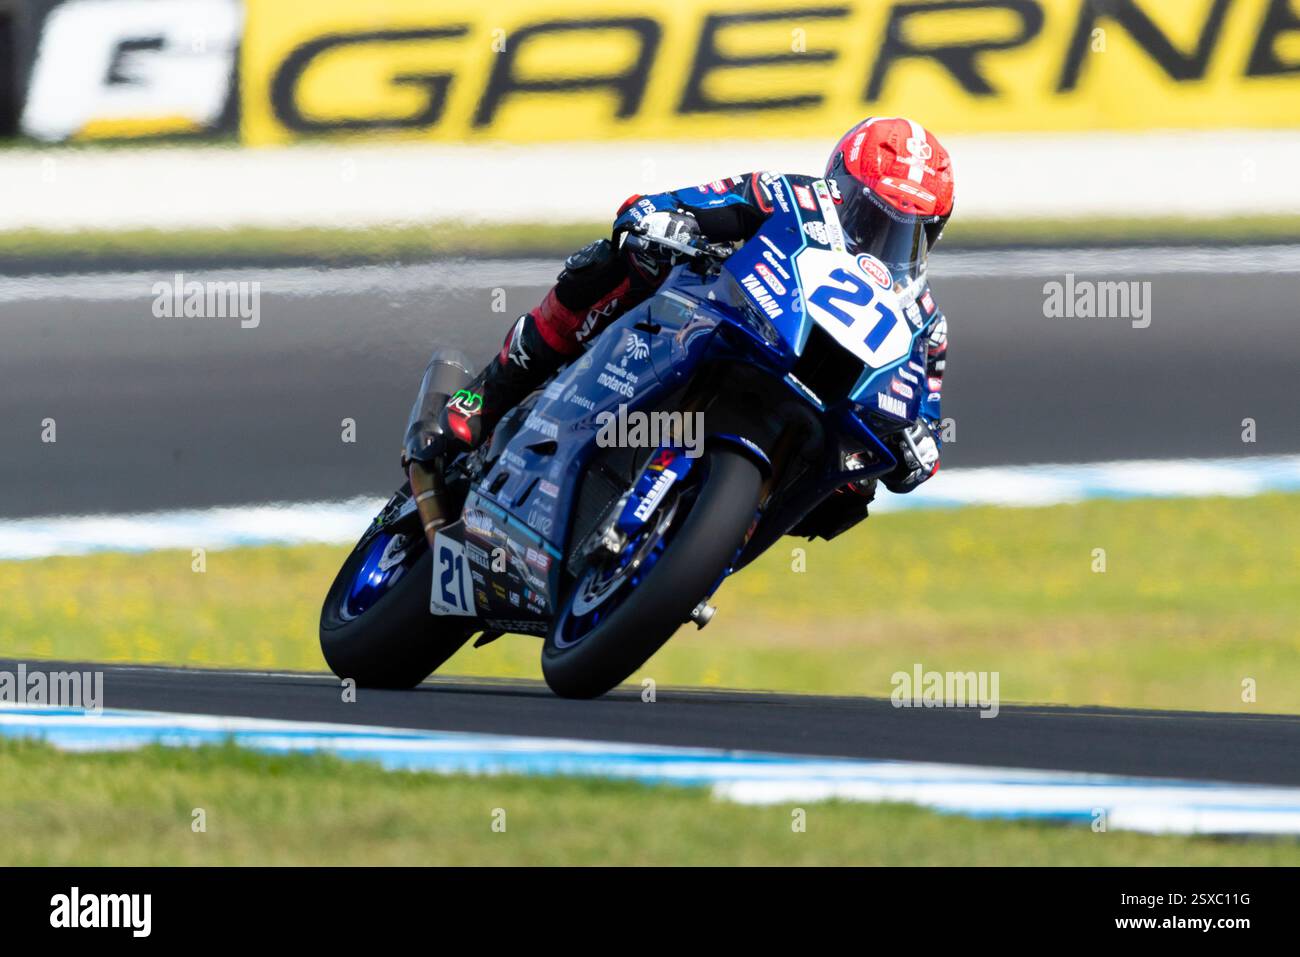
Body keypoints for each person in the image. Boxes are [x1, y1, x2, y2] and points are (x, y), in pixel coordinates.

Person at [405, 117, 952, 531]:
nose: (880, 239)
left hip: (806, 408)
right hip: (726, 322)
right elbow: (688, 203)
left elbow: (923, 416)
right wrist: (664, 220)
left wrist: (915, 448)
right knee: (613, 262)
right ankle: (487, 395)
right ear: (839, 184)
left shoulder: (925, 323)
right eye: (870, 213)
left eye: (903, 230)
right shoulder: (789, 195)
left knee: (855, 489)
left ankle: (704, 539)